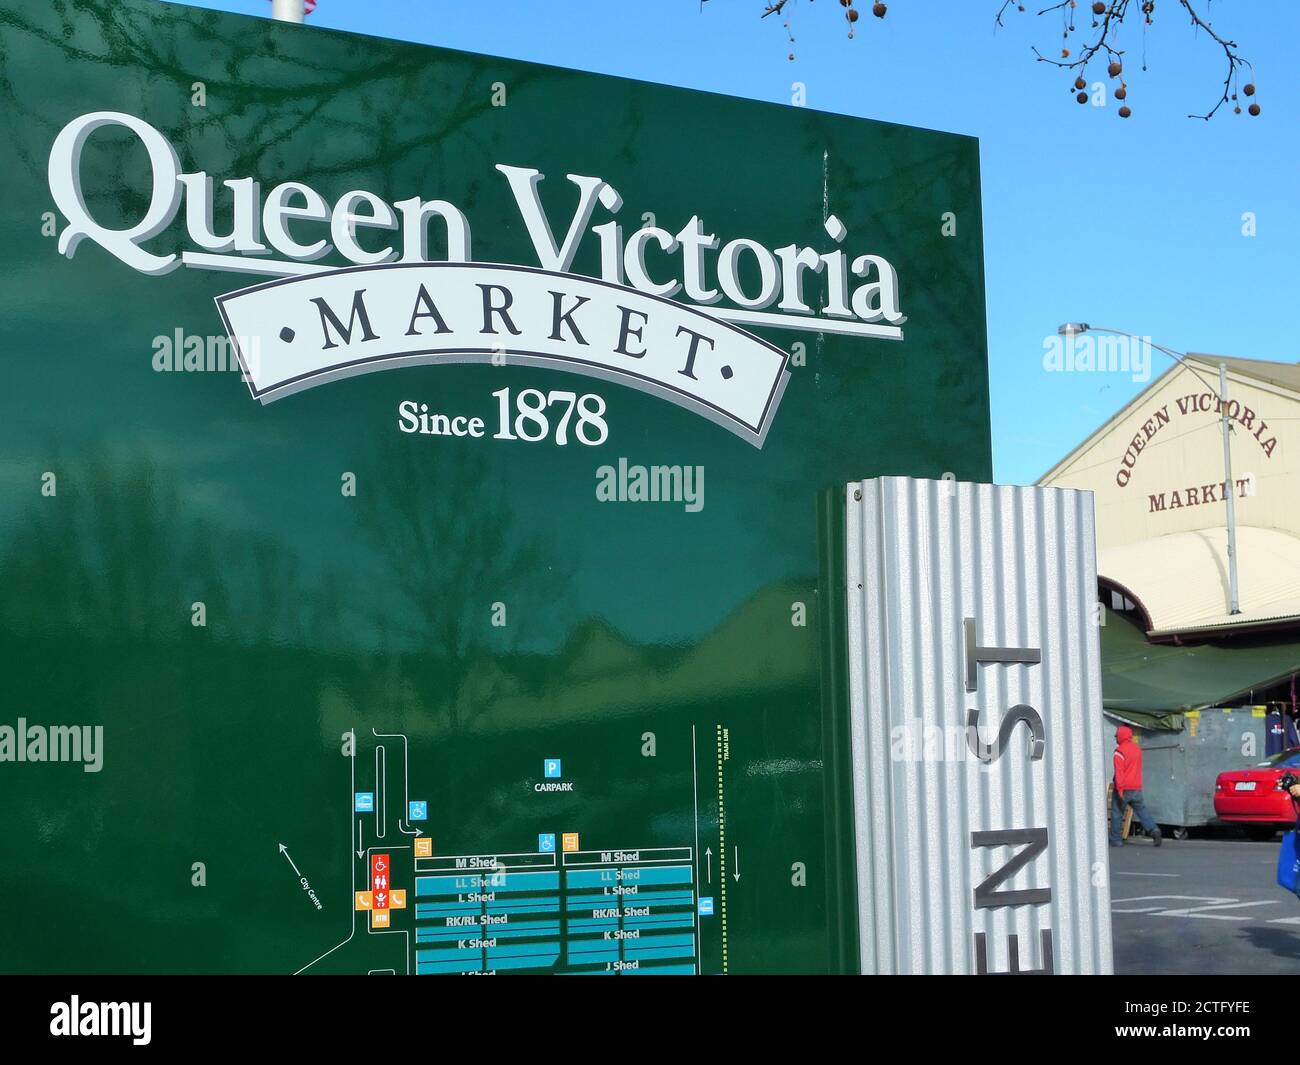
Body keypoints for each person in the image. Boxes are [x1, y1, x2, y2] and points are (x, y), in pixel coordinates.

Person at [1110, 725, 1161, 847]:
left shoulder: (1119, 752)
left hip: (1124, 788)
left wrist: (1120, 789)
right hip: (1136, 787)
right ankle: (1154, 830)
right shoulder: (1137, 749)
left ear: (1121, 736)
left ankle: (1116, 840)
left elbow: (1119, 773)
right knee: (1142, 811)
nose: (1115, 737)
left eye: (1117, 735)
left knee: (1117, 813)